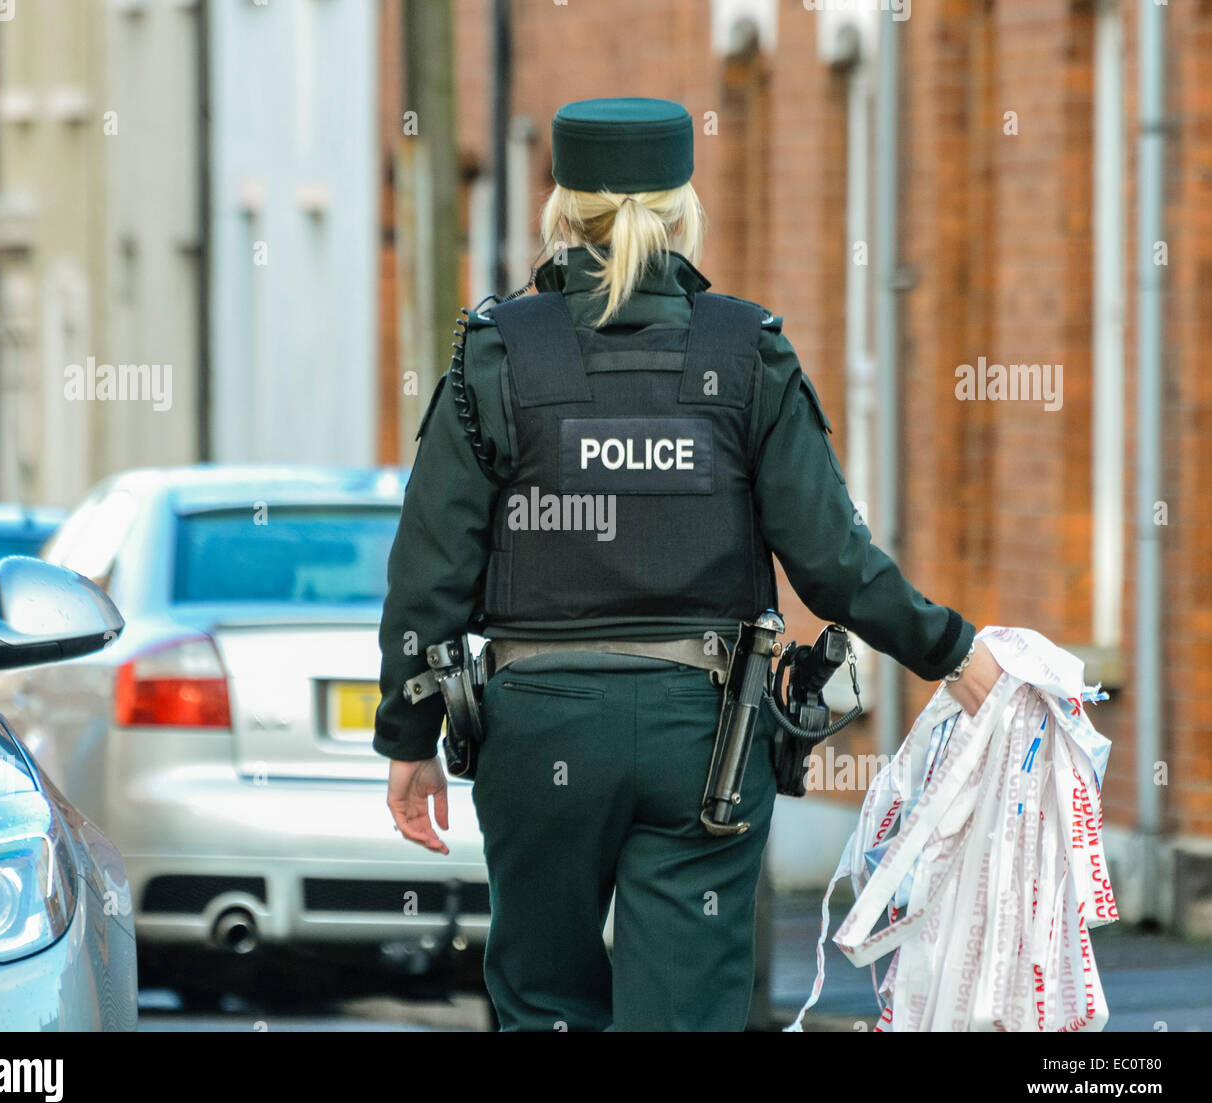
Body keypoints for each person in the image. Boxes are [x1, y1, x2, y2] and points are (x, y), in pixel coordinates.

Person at [373, 96, 1000, 1031]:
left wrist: (409, 738)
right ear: (682, 207)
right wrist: (953, 650)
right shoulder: (747, 351)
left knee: (543, 1003)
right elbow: (831, 561)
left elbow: (429, 571)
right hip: (705, 737)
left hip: (538, 729)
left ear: (560, 206)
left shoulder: (496, 354)